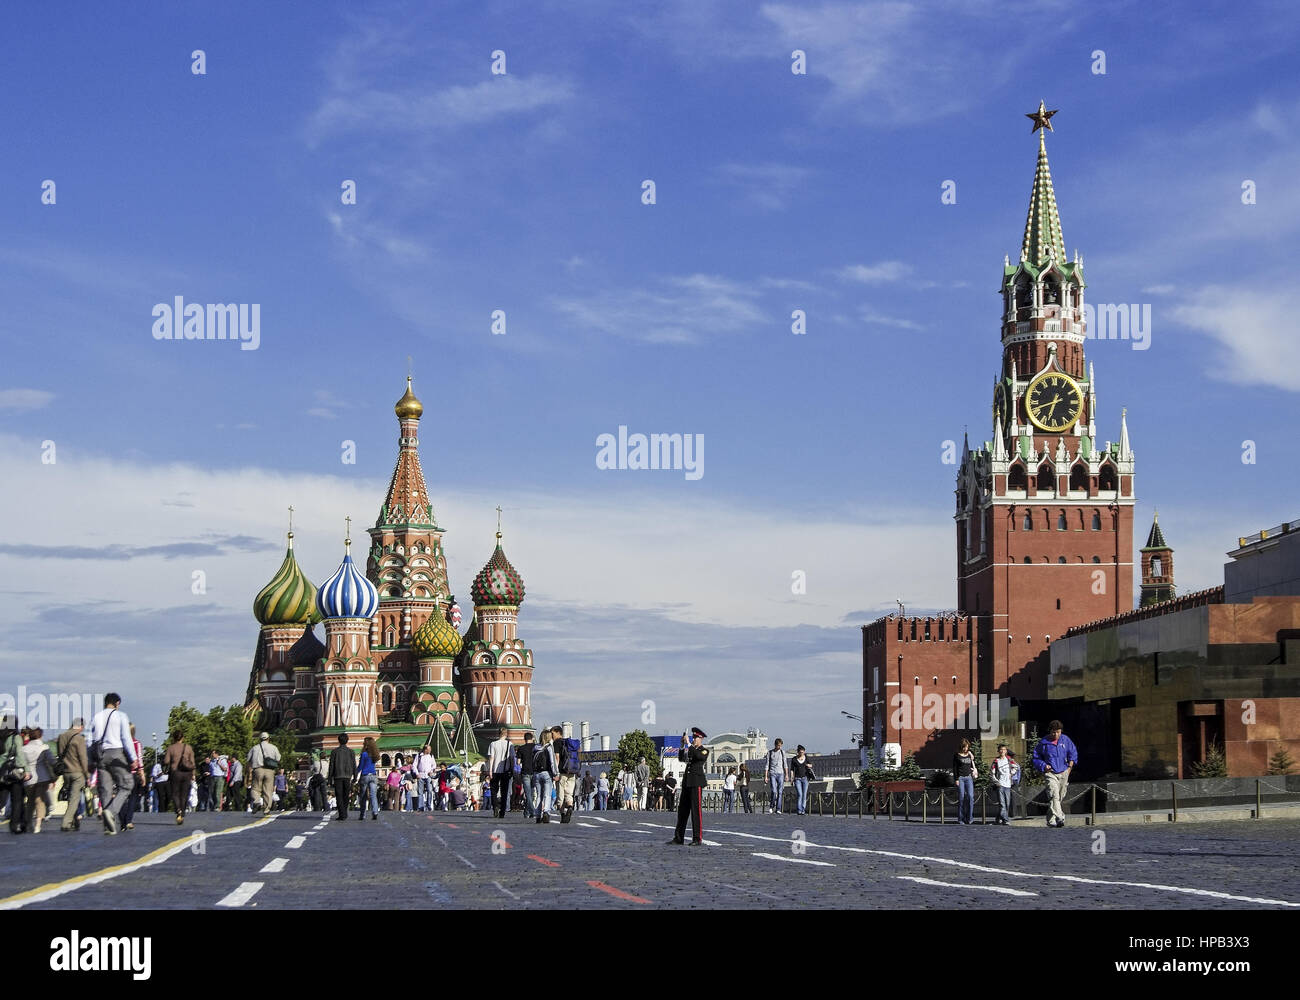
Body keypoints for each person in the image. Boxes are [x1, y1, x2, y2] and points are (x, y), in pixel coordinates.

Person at [88, 693, 136, 835]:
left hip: (100, 755)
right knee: (127, 784)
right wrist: (133, 758)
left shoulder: (96, 717)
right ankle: (111, 811)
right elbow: (126, 738)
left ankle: (109, 826)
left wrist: (90, 761)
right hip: (116, 753)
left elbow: (89, 741)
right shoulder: (121, 716)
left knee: (105, 790)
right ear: (117, 703)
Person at [1033, 721, 1078, 828]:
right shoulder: (1043, 743)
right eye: (1054, 732)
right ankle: (1060, 817)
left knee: (1060, 796)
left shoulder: (1065, 740)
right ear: (1050, 731)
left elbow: (1073, 752)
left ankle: (1050, 819)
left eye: (1058, 732)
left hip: (1064, 772)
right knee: (1054, 795)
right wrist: (1044, 765)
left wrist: (1070, 766)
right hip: (1050, 773)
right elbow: (1036, 758)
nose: (1056, 735)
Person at [669, 728, 709, 846]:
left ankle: (697, 838)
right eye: (693, 738)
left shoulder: (704, 750)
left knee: (696, 811)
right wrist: (682, 746)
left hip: (696, 782)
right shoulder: (691, 749)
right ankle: (679, 837)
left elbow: (698, 757)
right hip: (687, 782)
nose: (694, 740)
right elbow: (682, 758)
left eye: (696, 738)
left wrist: (688, 744)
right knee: (682, 811)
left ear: (701, 739)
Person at [21, 727, 57, 834]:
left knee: (30, 802)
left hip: (28, 779)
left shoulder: (24, 748)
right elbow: (52, 761)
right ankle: (38, 824)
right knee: (40, 801)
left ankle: (28, 824)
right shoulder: (44, 747)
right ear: (40, 735)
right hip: (42, 777)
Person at [57, 718, 90, 832]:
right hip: (77, 772)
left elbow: (60, 754)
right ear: (80, 726)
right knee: (75, 798)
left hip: (66, 772)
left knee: (71, 798)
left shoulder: (61, 736)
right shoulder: (79, 738)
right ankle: (66, 823)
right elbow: (83, 758)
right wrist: (87, 774)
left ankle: (74, 821)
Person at [162, 729, 196, 824]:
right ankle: (182, 811)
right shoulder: (188, 748)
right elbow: (192, 762)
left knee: (175, 793)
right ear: (183, 738)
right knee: (184, 794)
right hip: (187, 773)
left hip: (175, 773)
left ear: (173, 738)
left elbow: (166, 761)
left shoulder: (170, 748)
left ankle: (178, 810)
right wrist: (193, 774)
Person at [1, 715, 27, 833]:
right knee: (17, 800)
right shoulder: (16, 737)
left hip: (1, 772)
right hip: (13, 773)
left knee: (1, 799)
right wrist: (26, 771)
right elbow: (20, 756)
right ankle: (15, 825)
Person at [247, 732, 281, 815]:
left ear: (260, 739)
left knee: (255, 788)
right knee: (268, 790)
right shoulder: (273, 747)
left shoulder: (255, 748)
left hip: (258, 769)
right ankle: (266, 809)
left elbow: (248, 758)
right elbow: (278, 758)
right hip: (270, 770)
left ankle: (257, 801)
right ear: (268, 738)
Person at [486, 727, 513, 819]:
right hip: (506, 771)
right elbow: (512, 758)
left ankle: (495, 808)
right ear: (506, 734)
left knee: (493, 791)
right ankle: (502, 812)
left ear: (498, 734)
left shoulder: (493, 744)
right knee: (504, 791)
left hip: (495, 771)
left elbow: (491, 758)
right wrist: (512, 769)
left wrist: (490, 770)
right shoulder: (510, 744)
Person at [552, 726, 577, 823]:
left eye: (553, 734)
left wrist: (556, 772)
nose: (552, 736)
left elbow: (557, 758)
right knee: (569, 793)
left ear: (558, 732)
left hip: (562, 771)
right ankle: (570, 807)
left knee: (560, 795)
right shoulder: (568, 743)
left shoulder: (557, 743)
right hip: (572, 771)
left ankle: (562, 814)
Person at [990, 743, 1019, 825]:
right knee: (1002, 804)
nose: (1002, 751)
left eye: (1004, 749)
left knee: (1007, 804)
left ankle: (998, 819)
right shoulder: (996, 761)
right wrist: (996, 782)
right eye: (1001, 750)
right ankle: (1006, 820)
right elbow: (992, 773)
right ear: (998, 751)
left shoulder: (1009, 759)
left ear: (1006, 751)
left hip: (1008, 784)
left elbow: (1016, 767)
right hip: (1000, 784)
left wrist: (1011, 774)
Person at [329, 734, 357, 820]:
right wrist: (355, 776)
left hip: (338, 776)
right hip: (348, 776)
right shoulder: (351, 752)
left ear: (339, 740)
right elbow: (354, 765)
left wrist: (330, 778)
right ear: (347, 740)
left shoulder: (334, 752)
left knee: (339, 795)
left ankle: (342, 814)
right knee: (345, 795)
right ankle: (344, 812)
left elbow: (331, 765)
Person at [534, 732, 557, 824]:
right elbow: (552, 762)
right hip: (547, 773)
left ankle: (538, 815)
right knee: (547, 795)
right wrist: (556, 773)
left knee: (539, 795)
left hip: (536, 773)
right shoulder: (549, 747)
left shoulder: (535, 748)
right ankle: (546, 812)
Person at [953, 738, 977, 825]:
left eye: (966, 747)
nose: (965, 749)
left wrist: (970, 753)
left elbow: (973, 761)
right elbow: (955, 768)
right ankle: (960, 818)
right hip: (961, 779)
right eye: (964, 747)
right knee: (961, 798)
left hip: (969, 778)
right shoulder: (957, 755)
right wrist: (956, 779)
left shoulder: (970, 754)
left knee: (970, 797)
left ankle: (970, 818)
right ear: (961, 747)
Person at [764, 738, 789, 814]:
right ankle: (771, 806)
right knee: (774, 791)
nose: (779, 747)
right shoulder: (770, 753)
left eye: (780, 745)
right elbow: (767, 765)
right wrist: (766, 776)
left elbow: (785, 764)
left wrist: (786, 775)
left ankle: (778, 808)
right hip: (772, 773)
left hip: (781, 773)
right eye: (778, 745)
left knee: (780, 792)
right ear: (775, 745)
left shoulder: (782, 752)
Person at [357, 737, 380, 820]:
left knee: (363, 796)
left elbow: (361, 766)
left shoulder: (364, 754)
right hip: (373, 775)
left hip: (365, 776)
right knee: (373, 795)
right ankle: (375, 812)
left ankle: (362, 814)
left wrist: (355, 773)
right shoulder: (375, 755)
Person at [790, 745, 816, 816]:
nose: (802, 753)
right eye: (800, 752)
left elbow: (811, 765)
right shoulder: (794, 759)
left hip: (805, 778)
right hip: (797, 779)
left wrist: (808, 765)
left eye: (803, 752)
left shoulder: (806, 757)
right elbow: (792, 770)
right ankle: (799, 810)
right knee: (800, 794)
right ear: (798, 752)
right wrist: (791, 779)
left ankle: (803, 810)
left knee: (804, 795)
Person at [517, 732, 537, 818]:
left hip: (525, 772)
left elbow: (518, 762)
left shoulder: (521, 748)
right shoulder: (536, 747)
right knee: (531, 793)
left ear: (524, 739)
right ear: (532, 738)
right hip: (535, 772)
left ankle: (529, 811)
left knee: (527, 793)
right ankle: (530, 811)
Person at [415, 745, 435, 811]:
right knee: (420, 792)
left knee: (429, 790)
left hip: (428, 775)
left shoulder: (431, 756)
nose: (430, 751)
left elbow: (434, 765)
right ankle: (421, 806)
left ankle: (428, 805)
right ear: (425, 750)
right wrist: (417, 773)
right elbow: (414, 765)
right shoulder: (419, 756)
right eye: (429, 749)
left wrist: (431, 771)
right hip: (420, 775)